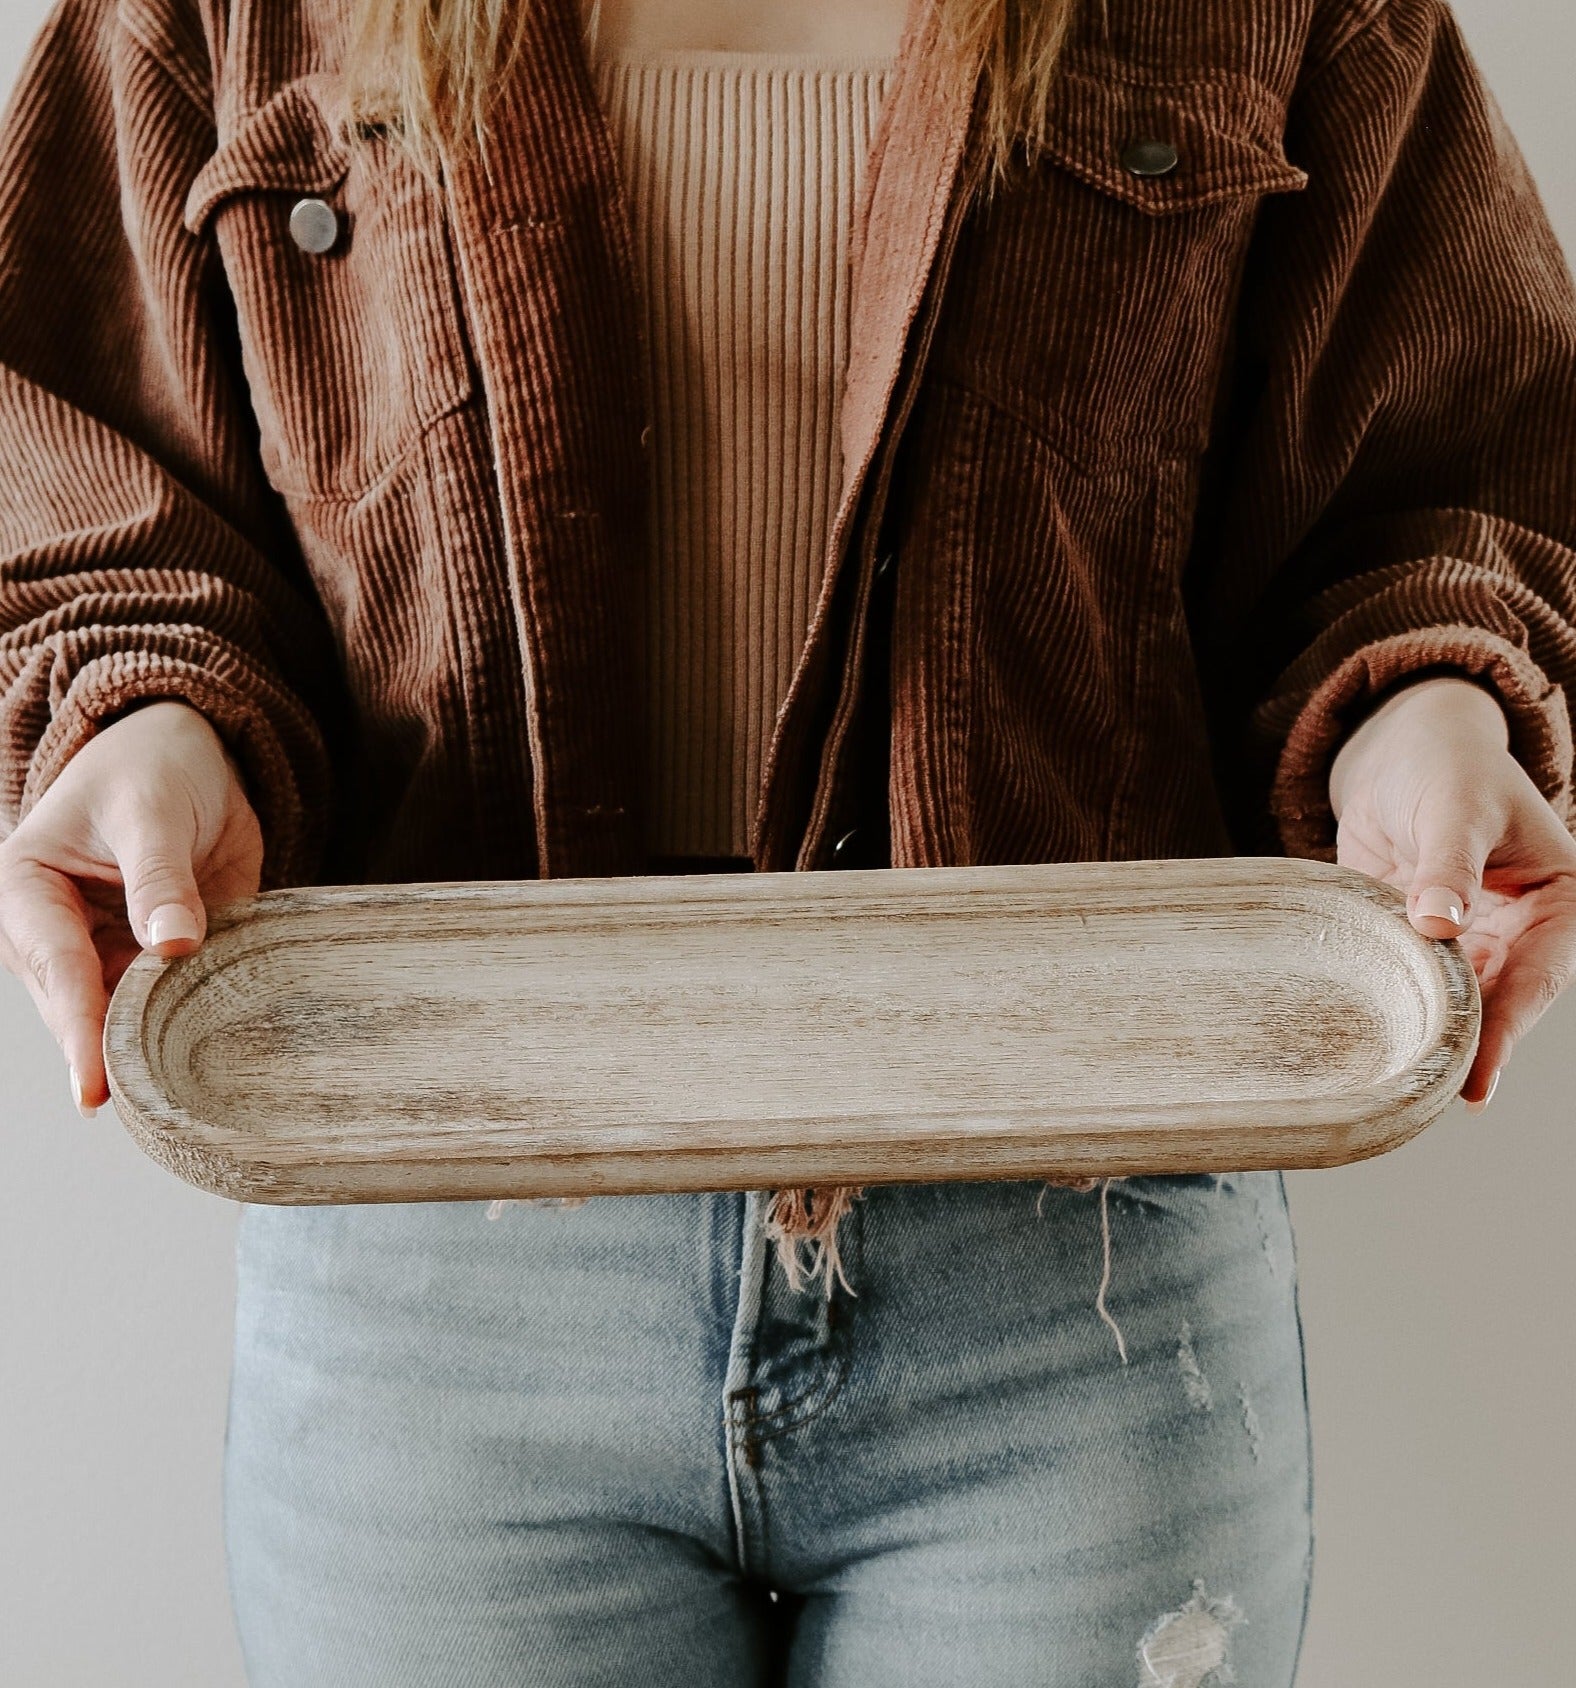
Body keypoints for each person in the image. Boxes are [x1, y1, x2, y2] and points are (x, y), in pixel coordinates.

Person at [2, 0, 1575, 1681]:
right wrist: (140, 715)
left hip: (1078, 1244)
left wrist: (1431, 709)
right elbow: (82, 447)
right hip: (440, 1242)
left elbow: (1449, 465)